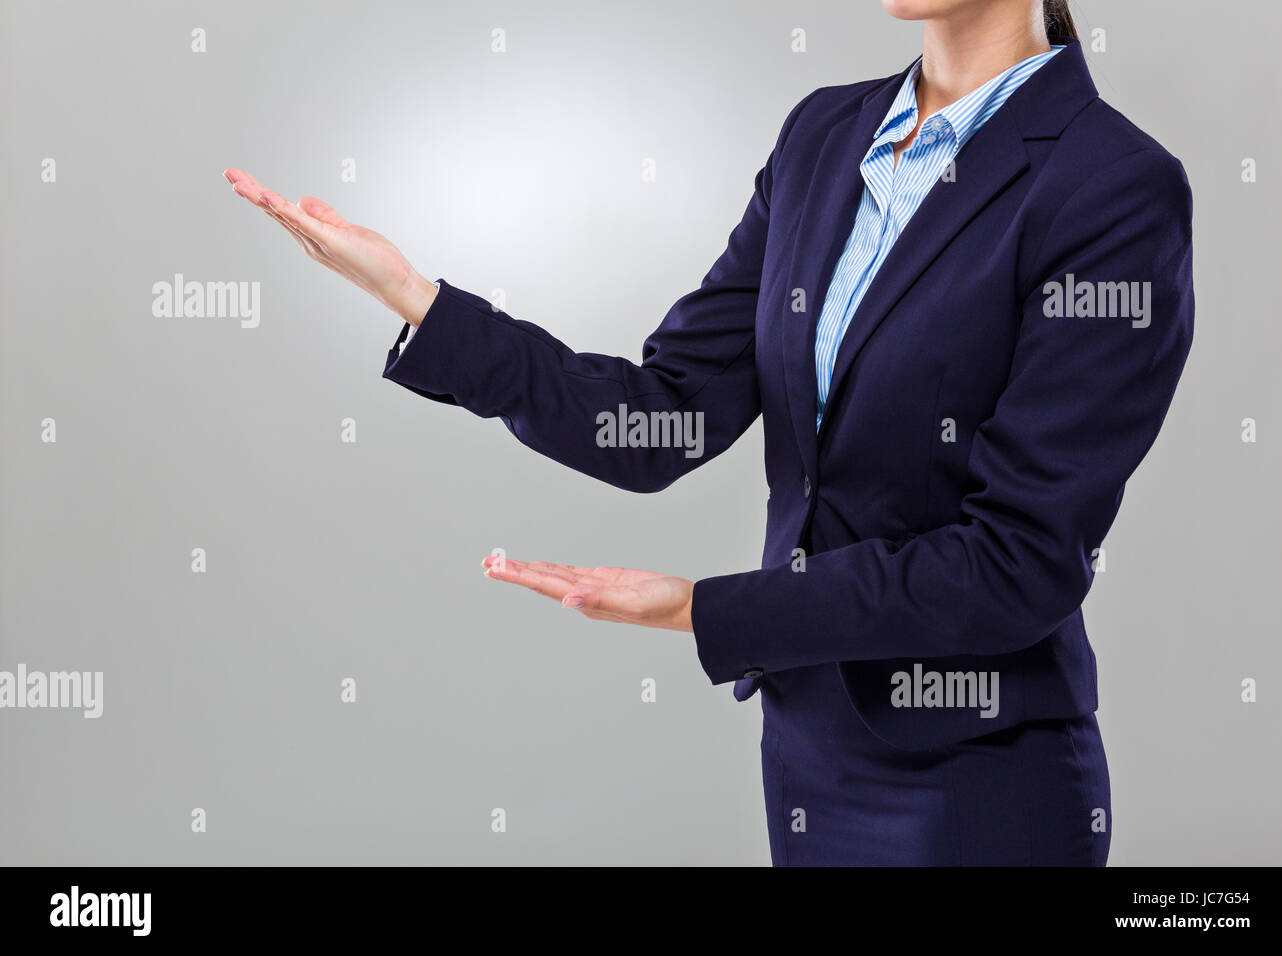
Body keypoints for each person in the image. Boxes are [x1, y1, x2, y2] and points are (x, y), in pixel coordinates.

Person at [224, 0, 1193, 865]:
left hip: (980, 775)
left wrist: (708, 608)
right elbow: (661, 418)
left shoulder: (1111, 186)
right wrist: (420, 301)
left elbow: (1016, 563)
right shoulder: (823, 135)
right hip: (808, 752)